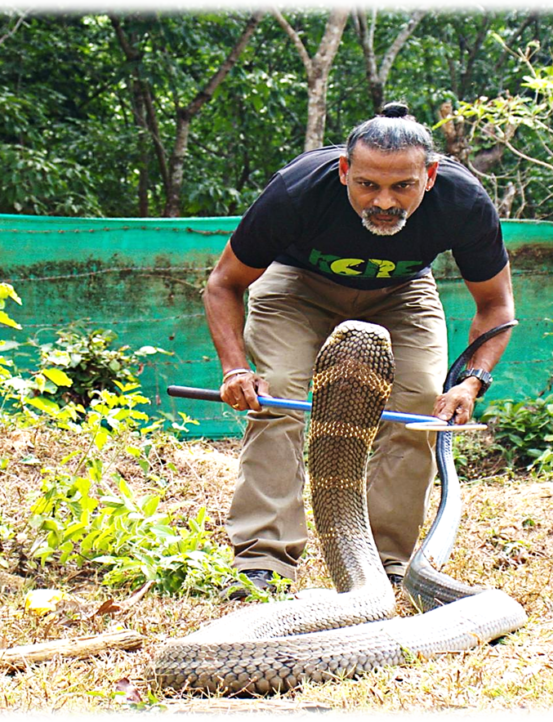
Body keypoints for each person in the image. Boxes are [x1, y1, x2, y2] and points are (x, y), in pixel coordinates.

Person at [203, 102, 515, 598]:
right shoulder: (297, 190)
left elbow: (496, 308)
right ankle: (262, 563)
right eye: (368, 185)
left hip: (402, 291)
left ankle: (386, 564)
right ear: (345, 171)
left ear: (430, 176)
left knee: (417, 408)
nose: (384, 202)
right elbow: (223, 283)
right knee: (277, 396)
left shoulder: (463, 201)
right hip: (295, 287)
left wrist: (470, 382)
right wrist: (236, 368)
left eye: (402, 187)